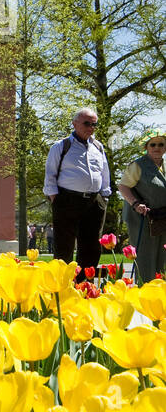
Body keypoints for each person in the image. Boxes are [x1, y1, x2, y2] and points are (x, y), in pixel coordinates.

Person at [43, 107, 111, 274]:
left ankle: (85, 287)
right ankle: (62, 286)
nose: (91, 127)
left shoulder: (98, 147)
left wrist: (104, 197)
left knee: (91, 246)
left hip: (95, 202)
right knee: (64, 246)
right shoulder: (61, 146)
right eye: (87, 123)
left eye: (94, 124)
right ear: (74, 124)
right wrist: (56, 199)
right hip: (67, 200)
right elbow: (50, 175)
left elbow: (104, 173)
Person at [118, 128, 166, 285]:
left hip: (162, 218)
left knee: (162, 255)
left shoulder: (164, 166)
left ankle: (160, 291)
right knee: (145, 256)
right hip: (142, 219)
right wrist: (135, 203)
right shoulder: (138, 165)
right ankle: (145, 290)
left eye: (161, 144)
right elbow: (123, 186)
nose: (157, 148)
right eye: (152, 145)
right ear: (146, 147)